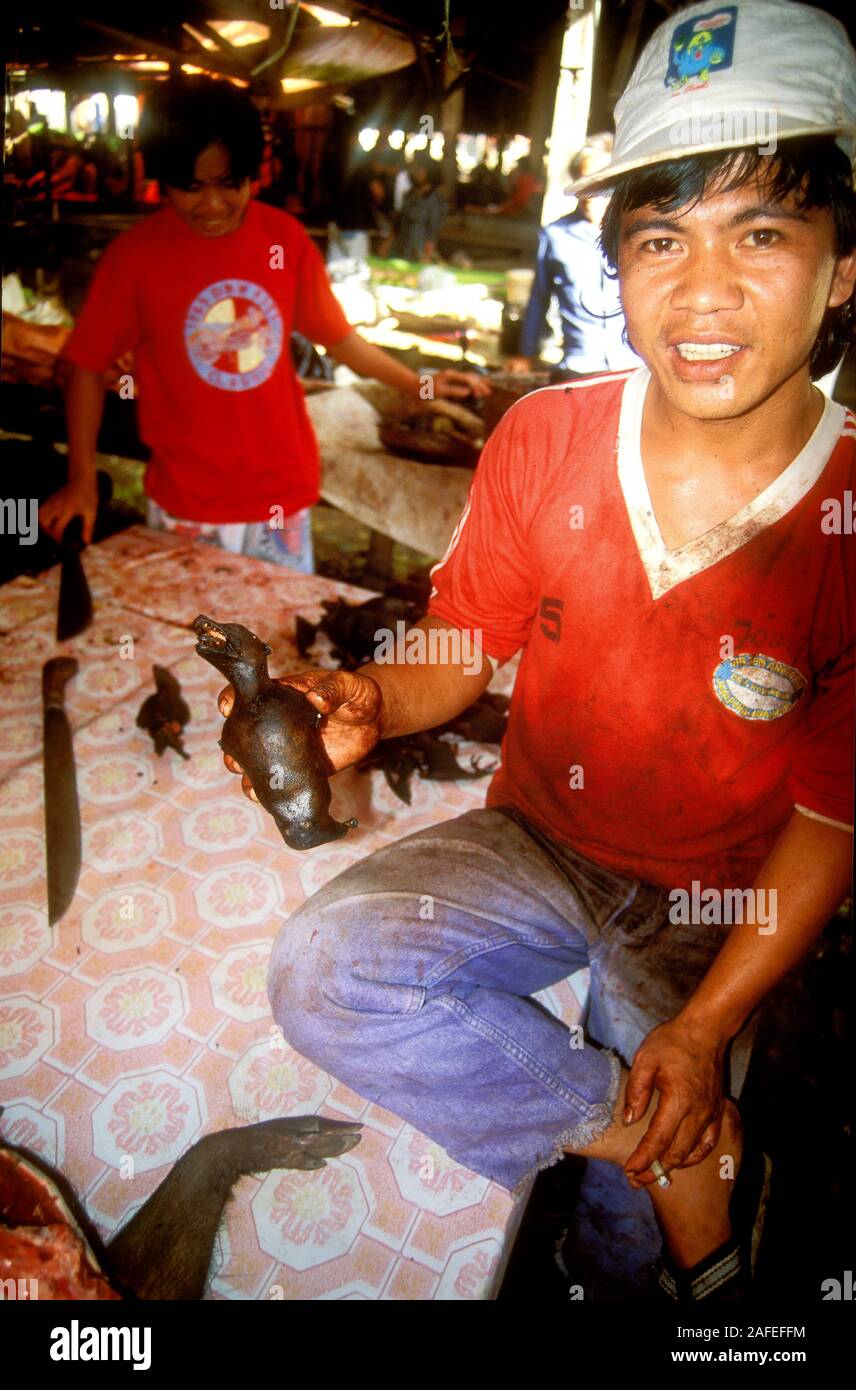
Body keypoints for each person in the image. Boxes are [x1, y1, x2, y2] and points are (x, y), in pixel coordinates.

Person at [218, 0, 855, 1302]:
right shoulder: (545, 439)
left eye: (766, 233)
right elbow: (459, 647)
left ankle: (634, 1233)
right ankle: (655, 1147)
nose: (705, 290)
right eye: (661, 238)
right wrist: (363, 694)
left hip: (718, 887)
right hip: (543, 830)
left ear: (846, 266)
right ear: (617, 262)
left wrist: (703, 1021)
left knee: (633, 1204)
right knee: (326, 966)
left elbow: (833, 820)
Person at [39, 77, 488, 570]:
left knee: (281, 639)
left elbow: (338, 339)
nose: (212, 205)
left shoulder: (284, 241)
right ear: (160, 179)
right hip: (187, 499)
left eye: (229, 183)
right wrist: (81, 477)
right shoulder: (134, 258)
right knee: (196, 642)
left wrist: (420, 385)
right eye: (190, 187)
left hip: (282, 495)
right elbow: (84, 366)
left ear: (253, 172)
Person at [508, 133, 641, 375]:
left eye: (599, 183)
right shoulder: (556, 236)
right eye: (583, 182)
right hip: (578, 368)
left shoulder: (639, 234)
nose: (589, 194)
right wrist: (525, 354)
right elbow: (539, 299)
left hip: (634, 368)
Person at [389, 157, 447, 263]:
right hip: (401, 246)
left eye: (420, 169)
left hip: (419, 249)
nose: (416, 172)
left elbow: (434, 227)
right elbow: (400, 222)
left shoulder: (436, 199)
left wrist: (428, 251)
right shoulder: (410, 195)